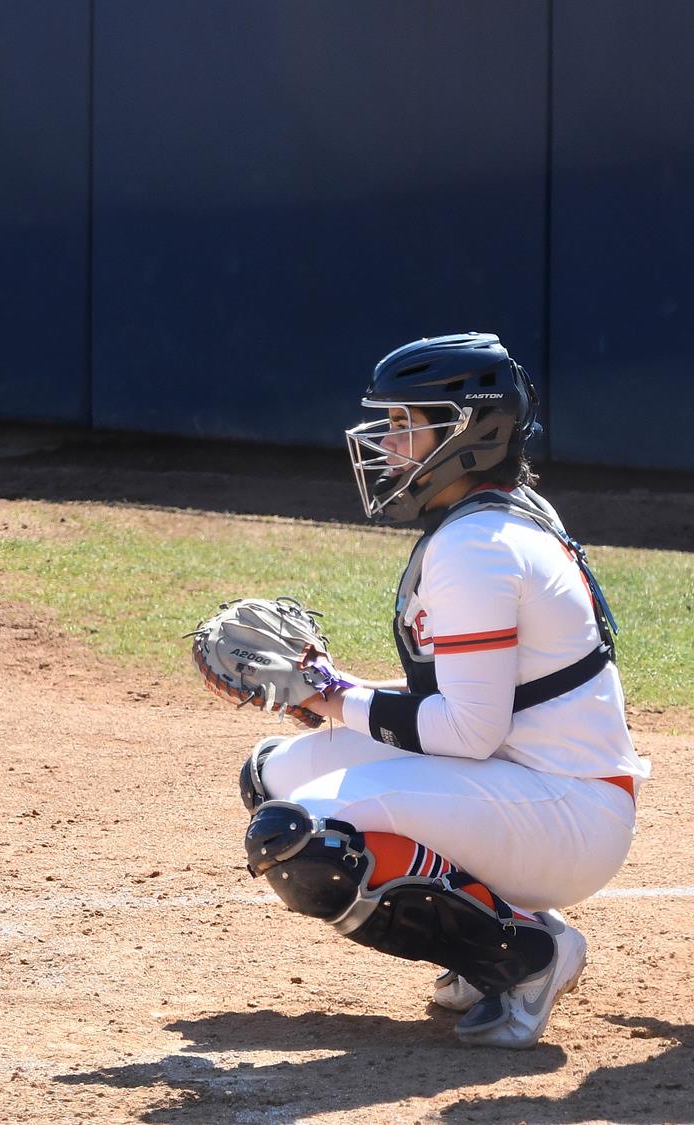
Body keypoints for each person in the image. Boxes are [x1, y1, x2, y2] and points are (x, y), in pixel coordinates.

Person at [239, 333, 648, 1048]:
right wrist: (334, 694)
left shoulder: (478, 544)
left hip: (566, 809)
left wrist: (339, 697)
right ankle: (507, 931)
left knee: (303, 839)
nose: (389, 443)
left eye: (406, 423)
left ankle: (525, 958)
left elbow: (467, 728)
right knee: (273, 773)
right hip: (528, 780)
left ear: (471, 431)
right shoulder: (490, 520)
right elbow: (475, 700)